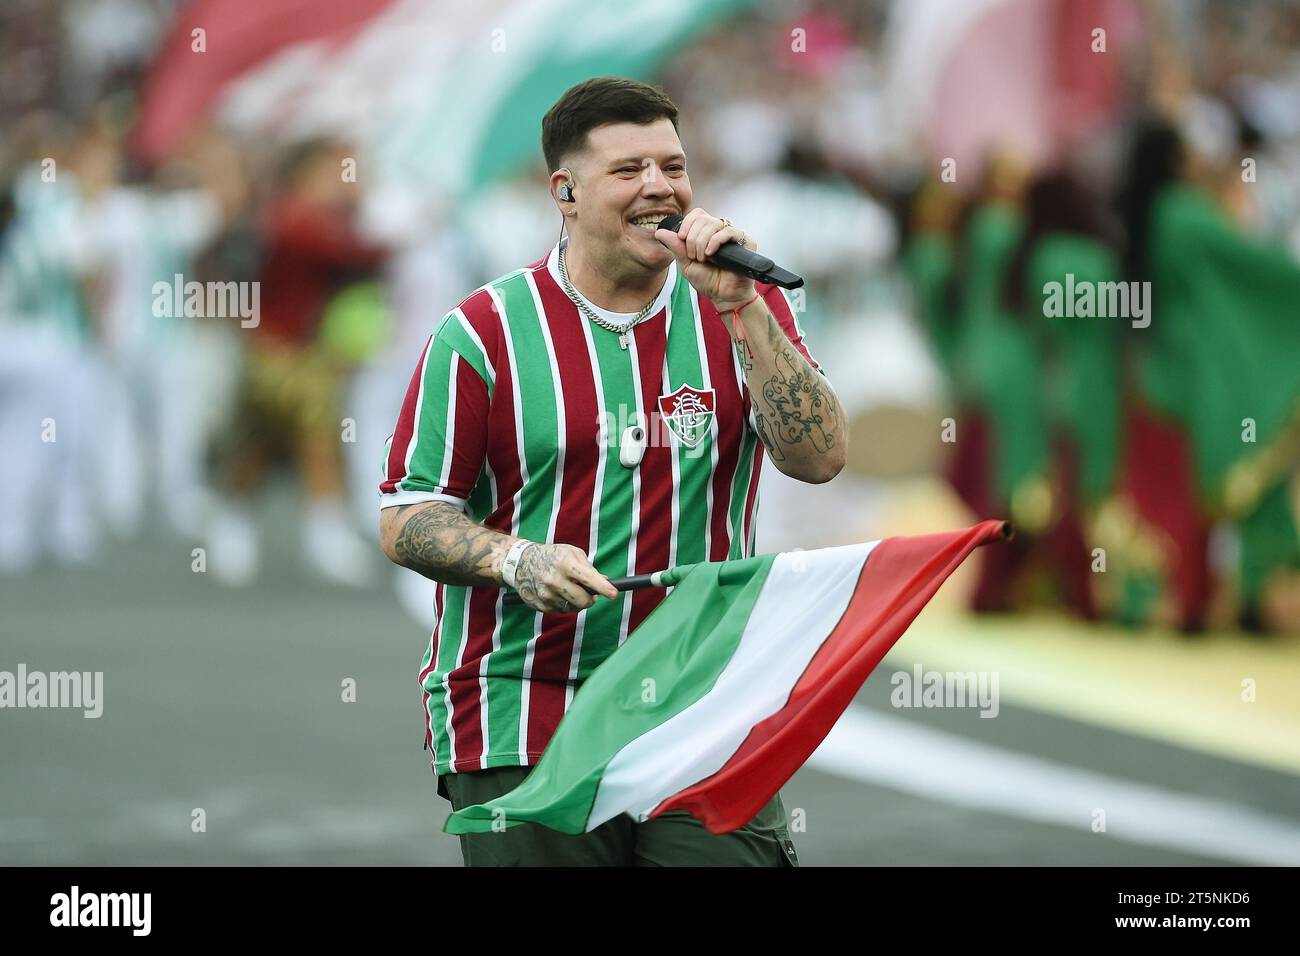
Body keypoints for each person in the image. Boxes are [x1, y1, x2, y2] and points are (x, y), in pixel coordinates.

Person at [378, 76, 846, 866]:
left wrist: (745, 308)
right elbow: (408, 515)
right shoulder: (483, 332)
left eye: (673, 165)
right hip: (524, 705)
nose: (660, 186)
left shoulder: (738, 308)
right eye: (629, 170)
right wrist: (514, 558)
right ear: (565, 189)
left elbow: (821, 457)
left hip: (703, 699)